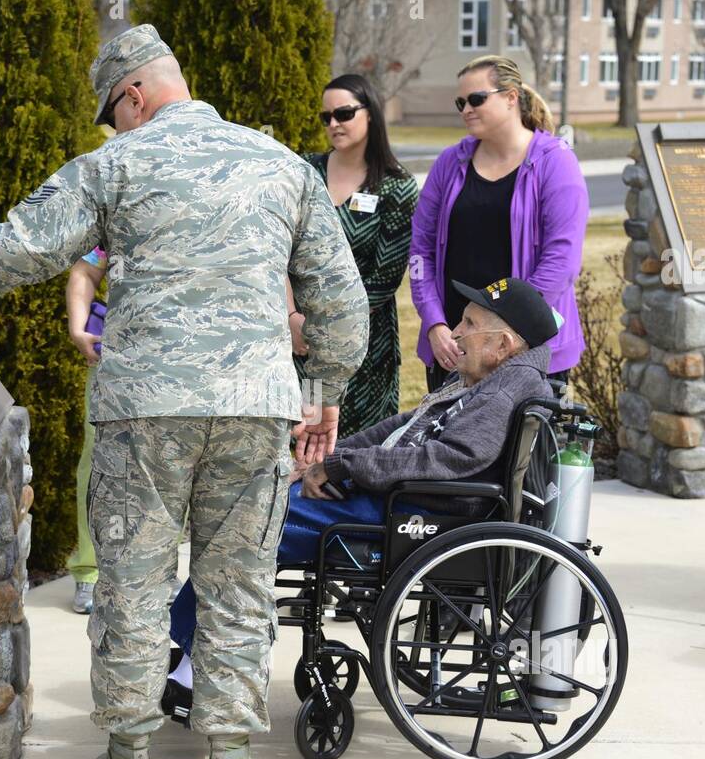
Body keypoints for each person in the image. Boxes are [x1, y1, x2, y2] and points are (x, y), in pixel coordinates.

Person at [0, 24, 368, 759]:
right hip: (254, 408)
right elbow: (344, 304)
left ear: (135, 94)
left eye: (112, 112)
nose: (113, 126)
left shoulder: (115, 164)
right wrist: (322, 386)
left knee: (133, 583)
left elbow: (21, 246)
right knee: (239, 586)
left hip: (143, 410)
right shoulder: (284, 166)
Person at [169, 276, 561, 654]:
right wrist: (325, 461)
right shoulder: (488, 377)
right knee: (254, 509)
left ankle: (190, 652)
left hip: (415, 513)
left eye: (469, 324)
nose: (455, 332)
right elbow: (404, 425)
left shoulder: (503, 390)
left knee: (251, 523)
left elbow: (448, 459)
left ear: (504, 345)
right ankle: (194, 646)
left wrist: (344, 467)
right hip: (401, 502)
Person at [410, 55, 588, 392]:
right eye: (460, 102)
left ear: (511, 97)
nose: (466, 109)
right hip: (453, 347)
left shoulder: (555, 162)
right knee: (448, 445)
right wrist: (434, 323)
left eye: (476, 99)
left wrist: (506, 334)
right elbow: (420, 251)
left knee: (521, 447)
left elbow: (562, 260)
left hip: (527, 348)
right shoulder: (450, 162)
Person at [288, 74, 419, 439]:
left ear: (371, 113)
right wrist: (293, 319)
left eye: (343, 113)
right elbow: (281, 254)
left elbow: (385, 277)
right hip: (300, 337)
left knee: (358, 443)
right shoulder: (304, 172)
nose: (333, 124)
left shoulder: (396, 185)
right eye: (325, 117)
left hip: (365, 339)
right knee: (305, 430)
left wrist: (332, 327)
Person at [65, 247, 108, 614]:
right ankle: (90, 571)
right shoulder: (121, 201)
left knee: (172, 460)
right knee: (99, 460)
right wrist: (78, 325)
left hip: (189, 360)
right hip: (115, 357)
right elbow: (87, 270)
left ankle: (163, 566)